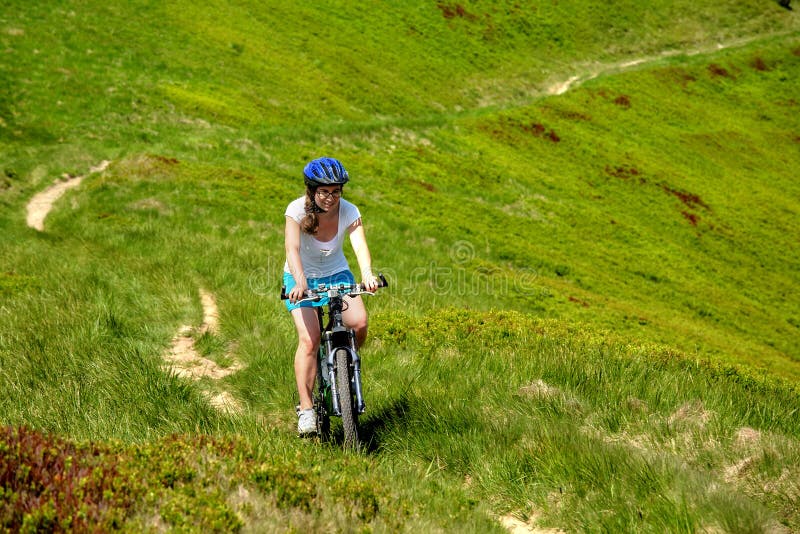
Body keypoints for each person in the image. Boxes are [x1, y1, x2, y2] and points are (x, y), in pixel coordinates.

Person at [283, 157, 379, 435]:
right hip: (301, 276)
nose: (330, 197)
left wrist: (368, 274)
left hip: (337, 273)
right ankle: (307, 409)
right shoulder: (296, 210)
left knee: (359, 323)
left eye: (336, 191)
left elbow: (359, 245)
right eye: (324, 191)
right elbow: (292, 248)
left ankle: (340, 365)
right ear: (312, 190)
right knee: (309, 340)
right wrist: (300, 281)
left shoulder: (349, 211)